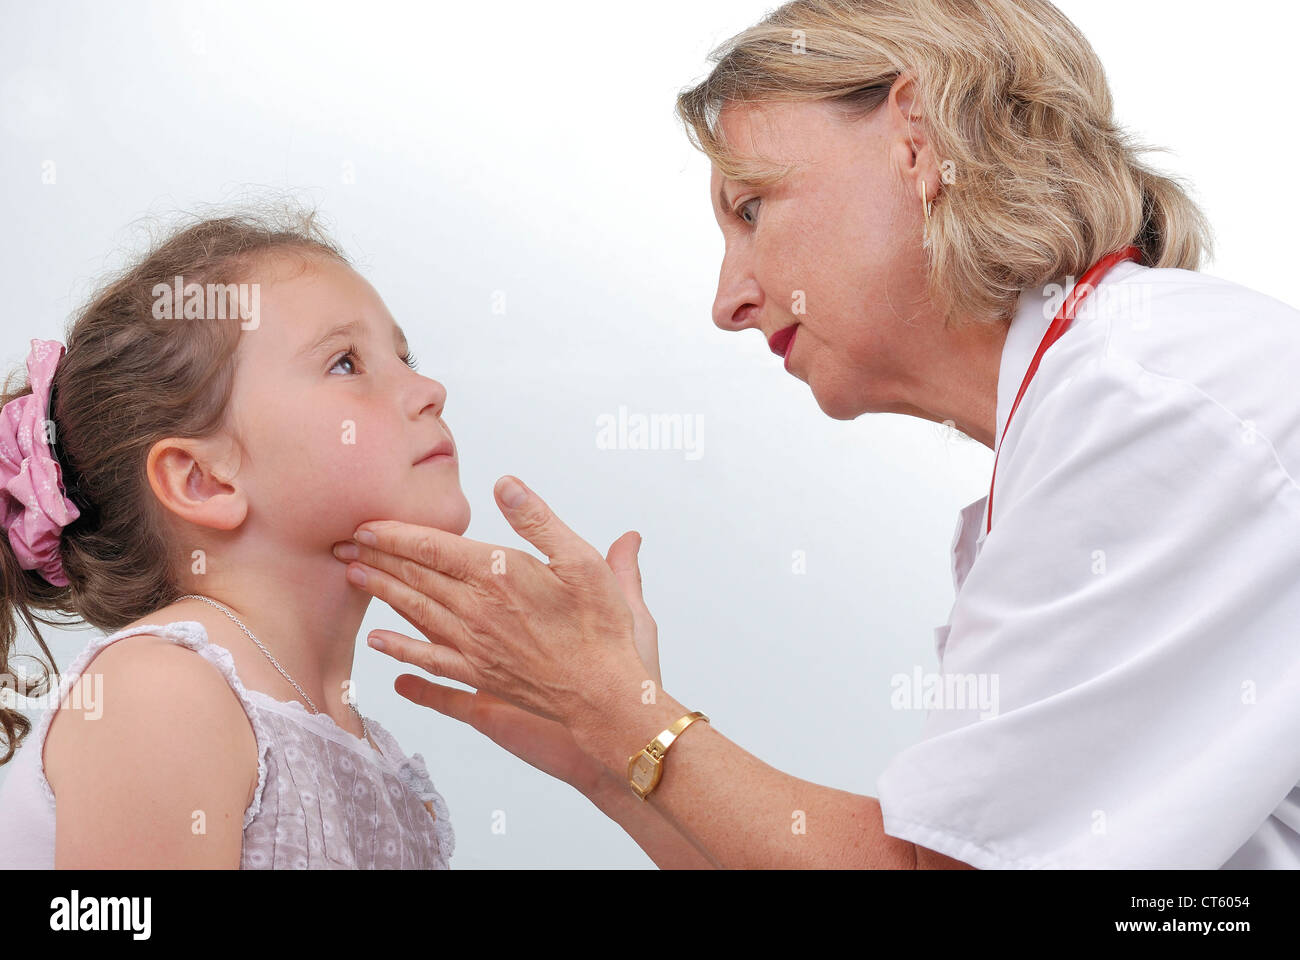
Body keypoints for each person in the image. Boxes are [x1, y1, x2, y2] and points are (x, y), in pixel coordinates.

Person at [329, 0, 1300, 868]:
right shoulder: (1102, 404)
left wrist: (616, 707)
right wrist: (607, 753)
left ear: (917, 140)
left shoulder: (1151, 408)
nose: (728, 300)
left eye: (752, 208)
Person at [0, 209, 459, 868]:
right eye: (345, 363)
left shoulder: (372, 753)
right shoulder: (162, 692)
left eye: (406, 357)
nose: (430, 390)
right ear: (202, 480)